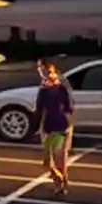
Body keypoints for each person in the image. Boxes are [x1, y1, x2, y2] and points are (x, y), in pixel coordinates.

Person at [34, 61, 74, 195]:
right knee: (54, 159)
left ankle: (61, 183)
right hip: (53, 126)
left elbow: (68, 107)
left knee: (57, 159)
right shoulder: (48, 90)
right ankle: (61, 181)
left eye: (48, 72)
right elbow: (69, 108)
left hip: (58, 126)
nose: (45, 75)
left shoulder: (58, 89)